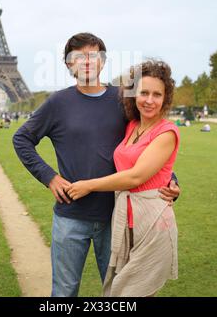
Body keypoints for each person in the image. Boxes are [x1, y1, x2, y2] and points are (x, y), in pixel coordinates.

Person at [12, 33, 180, 297]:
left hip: (116, 217)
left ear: (103, 62)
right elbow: (21, 138)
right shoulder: (58, 103)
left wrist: (171, 179)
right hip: (70, 216)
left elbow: (145, 143)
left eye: (93, 56)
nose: (86, 62)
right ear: (68, 65)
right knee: (64, 292)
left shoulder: (123, 100)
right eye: (78, 57)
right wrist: (49, 177)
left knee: (118, 292)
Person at [67, 60, 180, 297]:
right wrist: (172, 180)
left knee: (129, 294)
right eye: (144, 92)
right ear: (133, 94)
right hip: (125, 220)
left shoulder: (167, 132)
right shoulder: (132, 126)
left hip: (152, 222)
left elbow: (136, 176)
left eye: (157, 94)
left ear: (165, 98)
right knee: (120, 290)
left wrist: (89, 185)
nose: (149, 100)